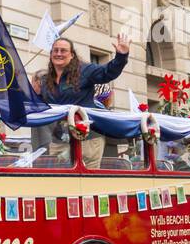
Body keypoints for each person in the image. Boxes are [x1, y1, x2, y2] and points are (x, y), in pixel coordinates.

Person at [32, 33, 130, 168]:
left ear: (72, 55)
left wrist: (121, 56)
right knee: (58, 180)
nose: (59, 54)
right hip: (59, 139)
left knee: (86, 182)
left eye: (63, 50)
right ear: (50, 54)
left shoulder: (85, 71)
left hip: (86, 139)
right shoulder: (45, 80)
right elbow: (39, 106)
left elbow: (108, 72)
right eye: (55, 50)